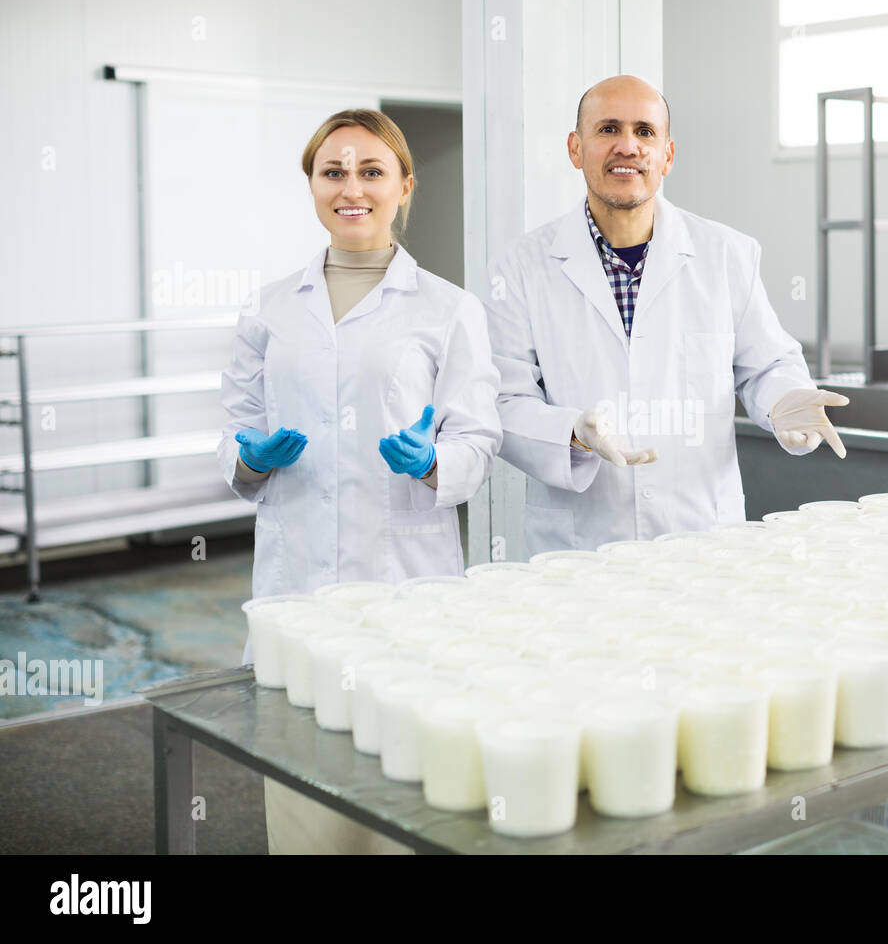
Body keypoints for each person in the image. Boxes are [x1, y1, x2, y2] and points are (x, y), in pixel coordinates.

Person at [218, 108, 502, 853]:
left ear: (404, 186)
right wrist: (252, 457)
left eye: (372, 171)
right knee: (303, 801)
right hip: (296, 586)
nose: (352, 188)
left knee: (409, 800)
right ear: (312, 185)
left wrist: (435, 461)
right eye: (333, 172)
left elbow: (478, 434)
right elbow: (234, 427)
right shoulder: (270, 308)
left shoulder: (448, 308)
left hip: (406, 583)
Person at [485, 75, 848, 556]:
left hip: (699, 537)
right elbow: (503, 398)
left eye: (645, 132)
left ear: (667, 155)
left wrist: (785, 400)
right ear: (576, 148)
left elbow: (767, 365)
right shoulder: (522, 266)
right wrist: (571, 432)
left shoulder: (726, 255)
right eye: (608, 129)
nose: (628, 146)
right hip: (577, 549)